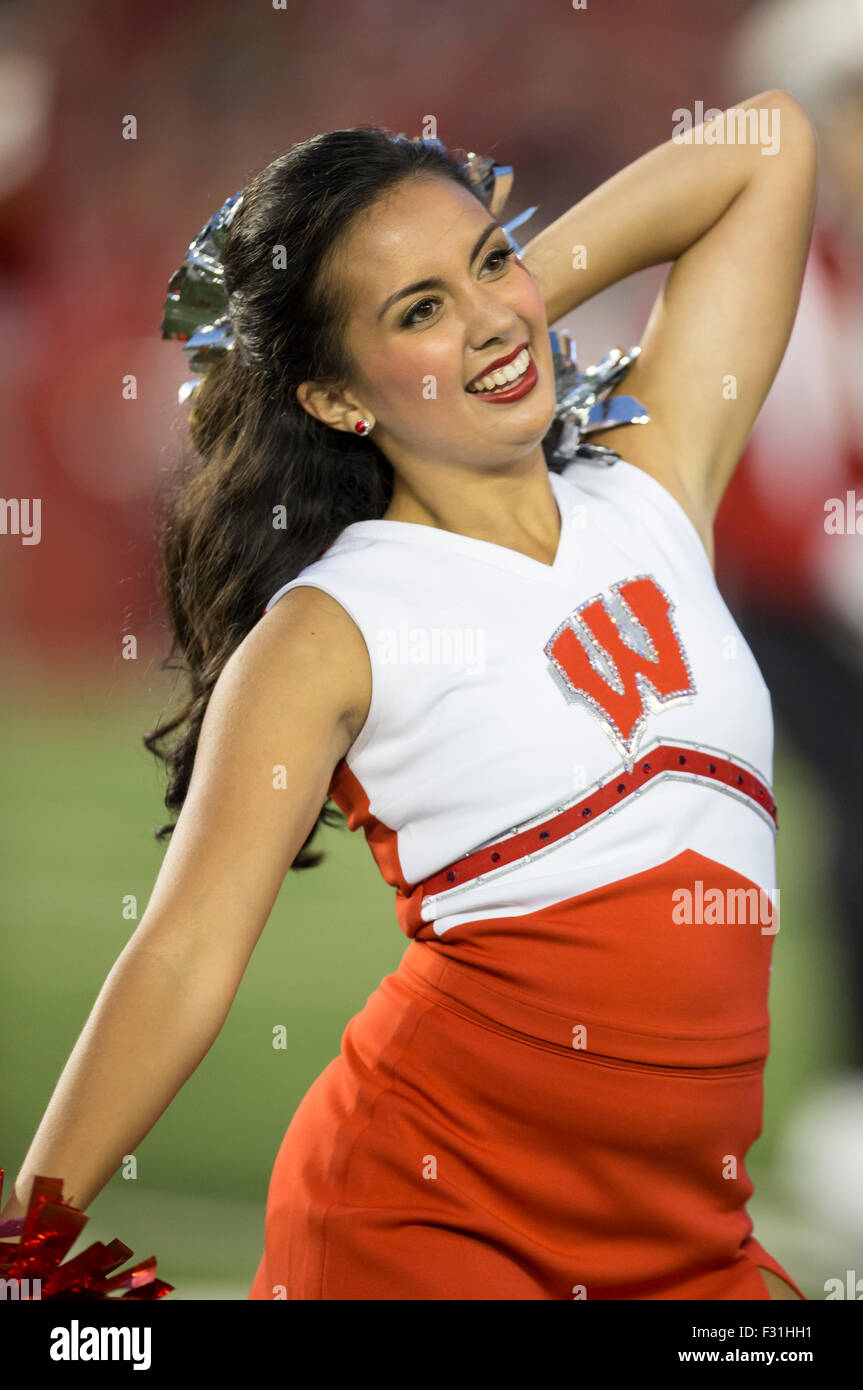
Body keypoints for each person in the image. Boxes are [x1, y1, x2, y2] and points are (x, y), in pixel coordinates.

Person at [1, 95, 817, 1299]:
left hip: (687, 1246)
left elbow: (766, 145)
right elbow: (181, 955)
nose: (492, 320)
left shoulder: (651, 481)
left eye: (491, 264)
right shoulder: (330, 626)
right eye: (418, 314)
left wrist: (472, 287)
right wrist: (33, 1230)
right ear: (336, 398)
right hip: (429, 1226)